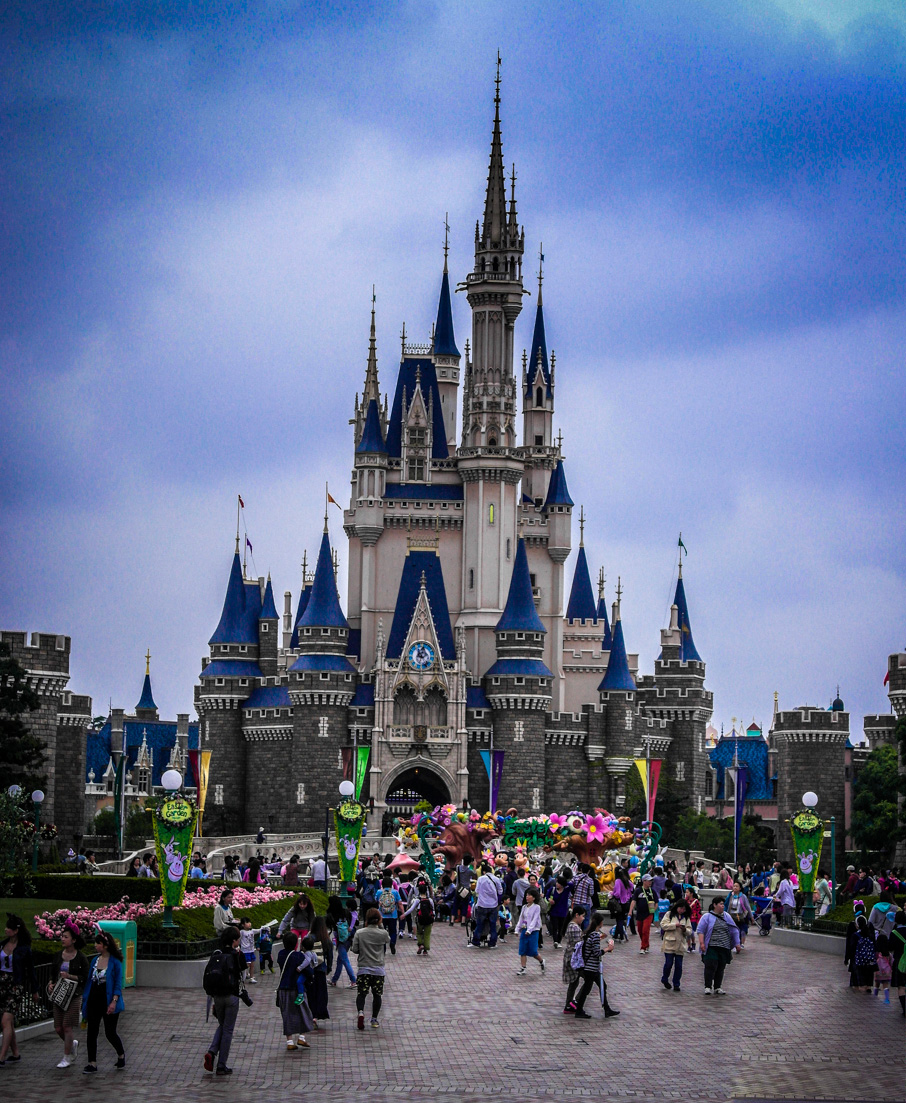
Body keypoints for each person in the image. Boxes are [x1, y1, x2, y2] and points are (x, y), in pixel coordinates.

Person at [203, 924, 250, 1075]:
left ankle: (211, 1052)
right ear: (234, 941)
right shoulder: (238, 955)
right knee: (228, 1029)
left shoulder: (217, 953)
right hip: (232, 997)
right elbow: (243, 975)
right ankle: (221, 1065)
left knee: (222, 1025)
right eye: (238, 940)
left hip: (217, 996)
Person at [81, 929, 125, 1073]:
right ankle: (92, 1063)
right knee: (92, 1032)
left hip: (108, 1000)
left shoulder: (115, 962)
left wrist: (114, 1001)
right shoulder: (95, 960)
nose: (95, 946)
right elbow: (90, 981)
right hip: (94, 1000)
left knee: (110, 1032)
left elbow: (118, 984)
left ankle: (121, 1054)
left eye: (98, 943)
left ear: (105, 945)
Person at [47, 920, 89, 1068]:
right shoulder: (58, 956)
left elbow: (84, 978)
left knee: (67, 1026)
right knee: (58, 1028)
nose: (62, 939)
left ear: (74, 940)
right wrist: (51, 983)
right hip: (59, 994)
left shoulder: (81, 958)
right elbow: (52, 973)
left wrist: (70, 977)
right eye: (62, 936)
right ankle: (72, 1044)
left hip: (74, 995)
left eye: (66, 936)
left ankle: (67, 1057)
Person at [0, 915, 39, 1066]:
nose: (6, 930)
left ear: (16, 931)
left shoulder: (23, 950)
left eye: (9, 928)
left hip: (15, 985)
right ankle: (15, 1053)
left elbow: (31, 971)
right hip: (1, 984)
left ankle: (2, 1057)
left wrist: (34, 990)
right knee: (6, 1023)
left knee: (6, 1020)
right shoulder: (2, 945)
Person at [572, 912, 619, 1020]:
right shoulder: (595, 936)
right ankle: (579, 1010)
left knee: (600, 986)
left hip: (589, 966)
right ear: (601, 923)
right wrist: (607, 949)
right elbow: (596, 952)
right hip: (591, 967)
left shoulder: (589, 934)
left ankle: (606, 1009)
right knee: (587, 989)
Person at [351, 909, 391, 1030]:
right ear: (379, 920)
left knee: (361, 994)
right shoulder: (382, 933)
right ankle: (374, 1019)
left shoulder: (360, 933)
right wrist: (380, 925)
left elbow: (355, 949)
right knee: (377, 995)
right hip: (378, 969)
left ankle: (361, 1012)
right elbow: (388, 939)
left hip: (364, 968)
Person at [276, 932, 314, 1049]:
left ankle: (289, 1042)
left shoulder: (281, 954)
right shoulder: (298, 956)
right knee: (304, 1012)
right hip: (297, 990)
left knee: (287, 1014)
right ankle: (302, 1038)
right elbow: (308, 971)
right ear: (295, 945)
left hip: (283, 989)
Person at [697, 898, 741, 995]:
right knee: (710, 965)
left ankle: (718, 987)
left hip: (724, 946)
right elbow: (701, 930)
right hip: (712, 946)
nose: (722, 906)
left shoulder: (727, 916)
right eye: (720, 904)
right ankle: (708, 986)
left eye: (723, 904)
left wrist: (737, 943)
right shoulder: (707, 916)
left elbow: (734, 930)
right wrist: (702, 943)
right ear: (714, 905)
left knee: (721, 967)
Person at [561, 905, 587, 1014]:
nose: (584, 918)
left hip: (570, 956)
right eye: (583, 916)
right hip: (574, 958)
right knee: (588, 979)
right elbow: (578, 944)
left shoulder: (572, 926)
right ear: (576, 915)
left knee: (574, 982)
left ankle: (569, 1004)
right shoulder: (574, 927)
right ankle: (574, 1001)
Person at [660, 899, 690, 991]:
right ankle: (665, 978)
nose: (682, 910)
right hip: (669, 943)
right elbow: (663, 925)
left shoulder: (686, 918)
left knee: (679, 965)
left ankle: (676, 983)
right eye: (681, 908)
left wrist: (685, 930)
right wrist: (675, 925)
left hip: (680, 945)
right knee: (668, 963)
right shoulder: (669, 914)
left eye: (684, 909)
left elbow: (690, 931)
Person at [307, 918, 333, 1023]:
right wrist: (329, 968)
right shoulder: (326, 939)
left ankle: (312, 1014)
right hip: (321, 969)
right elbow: (330, 956)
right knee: (321, 992)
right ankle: (319, 1014)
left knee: (311, 992)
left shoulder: (309, 938)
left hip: (310, 970)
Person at [470, 863, 502, 948]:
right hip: (493, 905)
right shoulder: (496, 879)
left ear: (483, 871)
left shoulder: (480, 879)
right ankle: (492, 943)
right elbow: (500, 892)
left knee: (479, 924)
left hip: (482, 905)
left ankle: (476, 942)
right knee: (492, 925)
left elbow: (477, 891)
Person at [515, 888, 545, 975]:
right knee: (522, 949)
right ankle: (523, 967)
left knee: (533, 951)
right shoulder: (524, 907)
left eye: (529, 895)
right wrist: (517, 929)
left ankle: (541, 961)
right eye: (527, 895)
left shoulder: (536, 907)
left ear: (534, 897)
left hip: (534, 931)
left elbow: (535, 919)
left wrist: (530, 930)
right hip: (524, 930)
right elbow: (521, 919)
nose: (527, 897)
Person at [328, 907, 357, 986]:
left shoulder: (337, 924)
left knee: (344, 960)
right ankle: (334, 980)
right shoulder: (348, 922)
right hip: (348, 941)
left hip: (341, 942)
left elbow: (336, 934)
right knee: (340, 961)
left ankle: (353, 980)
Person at [629, 873, 656, 954]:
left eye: (651, 881)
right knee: (640, 931)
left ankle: (643, 947)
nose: (650, 882)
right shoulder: (638, 890)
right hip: (639, 914)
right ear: (644, 881)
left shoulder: (652, 891)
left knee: (645, 930)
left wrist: (654, 909)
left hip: (649, 914)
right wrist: (630, 911)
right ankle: (646, 944)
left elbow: (656, 902)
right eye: (648, 881)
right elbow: (633, 901)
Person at [377, 876, 402, 953]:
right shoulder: (395, 892)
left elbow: (376, 901)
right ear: (391, 884)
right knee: (393, 931)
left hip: (381, 915)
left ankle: (383, 948)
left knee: (382, 931)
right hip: (393, 915)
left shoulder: (379, 892)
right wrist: (403, 912)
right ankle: (392, 942)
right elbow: (400, 903)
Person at [852, 914, 877, 992]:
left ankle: (862, 986)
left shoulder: (856, 935)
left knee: (860, 972)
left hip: (860, 958)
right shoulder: (870, 934)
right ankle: (869, 986)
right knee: (869, 972)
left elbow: (852, 947)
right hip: (870, 957)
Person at [725, 881, 754, 946]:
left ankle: (742, 943)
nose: (735, 887)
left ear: (740, 888)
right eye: (734, 886)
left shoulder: (743, 896)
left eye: (736, 886)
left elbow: (748, 907)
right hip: (731, 916)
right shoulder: (730, 895)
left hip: (741, 916)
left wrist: (751, 917)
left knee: (742, 930)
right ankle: (734, 943)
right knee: (733, 930)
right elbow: (726, 905)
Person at [889, 909, 906, 1016]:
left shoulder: (894, 933)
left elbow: (890, 947)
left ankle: (904, 1009)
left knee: (901, 986)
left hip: (900, 962)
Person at [548, 875, 573, 947]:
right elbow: (547, 895)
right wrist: (549, 899)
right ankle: (555, 941)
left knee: (561, 927)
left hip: (562, 912)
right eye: (556, 882)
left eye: (558, 883)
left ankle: (559, 941)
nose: (556, 884)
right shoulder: (552, 889)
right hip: (554, 911)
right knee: (554, 927)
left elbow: (571, 884)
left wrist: (564, 882)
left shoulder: (566, 890)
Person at [570, 864, 596, 929]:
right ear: (589, 871)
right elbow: (591, 893)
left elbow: (569, 885)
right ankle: (584, 935)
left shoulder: (575, 877)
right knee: (586, 920)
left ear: (581, 869)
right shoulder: (590, 880)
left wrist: (572, 895)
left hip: (576, 902)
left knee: (576, 919)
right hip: (585, 903)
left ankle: (576, 932)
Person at [414, 884, 435, 955]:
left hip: (420, 919)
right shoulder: (430, 900)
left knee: (419, 932)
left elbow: (411, 909)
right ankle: (425, 950)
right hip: (429, 919)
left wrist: (404, 914)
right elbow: (433, 910)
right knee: (427, 934)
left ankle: (420, 944)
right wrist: (433, 919)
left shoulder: (417, 900)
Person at [454, 857, 473, 925]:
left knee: (455, 904)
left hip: (458, 888)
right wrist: (475, 865)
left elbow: (457, 864)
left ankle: (452, 920)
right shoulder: (469, 871)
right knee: (465, 905)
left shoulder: (458, 868)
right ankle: (463, 921)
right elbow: (474, 874)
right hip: (466, 890)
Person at [873, 937, 892, 1003]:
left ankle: (875, 995)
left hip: (878, 971)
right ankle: (887, 999)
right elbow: (891, 961)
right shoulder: (888, 954)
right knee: (885, 984)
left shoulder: (877, 954)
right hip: (887, 971)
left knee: (877, 983)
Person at [684, 887, 702, 952]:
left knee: (691, 933)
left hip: (693, 918)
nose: (686, 893)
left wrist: (698, 919)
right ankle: (689, 945)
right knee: (688, 933)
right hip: (687, 918)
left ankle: (693, 942)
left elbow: (698, 910)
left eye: (687, 892)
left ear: (691, 893)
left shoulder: (696, 901)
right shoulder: (685, 901)